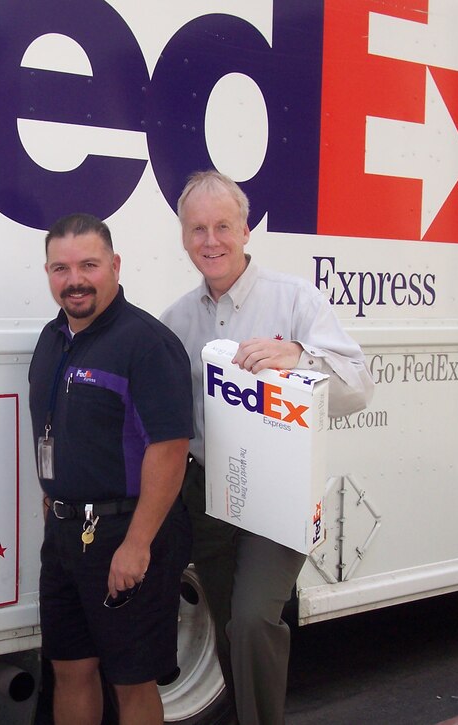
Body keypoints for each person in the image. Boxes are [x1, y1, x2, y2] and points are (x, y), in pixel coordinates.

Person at [161, 171, 374, 725]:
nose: (211, 241)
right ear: (184, 238)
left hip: (278, 491)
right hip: (209, 491)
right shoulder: (177, 321)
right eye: (198, 229)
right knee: (231, 623)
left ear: (247, 230)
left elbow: (358, 388)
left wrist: (299, 358)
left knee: (255, 618)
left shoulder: (296, 300)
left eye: (224, 226)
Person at [28, 213, 194, 725]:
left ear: (115, 266)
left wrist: (138, 544)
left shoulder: (146, 343)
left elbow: (169, 449)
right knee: (71, 670)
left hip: (125, 534)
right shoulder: (53, 339)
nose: (74, 280)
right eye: (60, 268)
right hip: (64, 536)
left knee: (131, 682)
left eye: (88, 265)